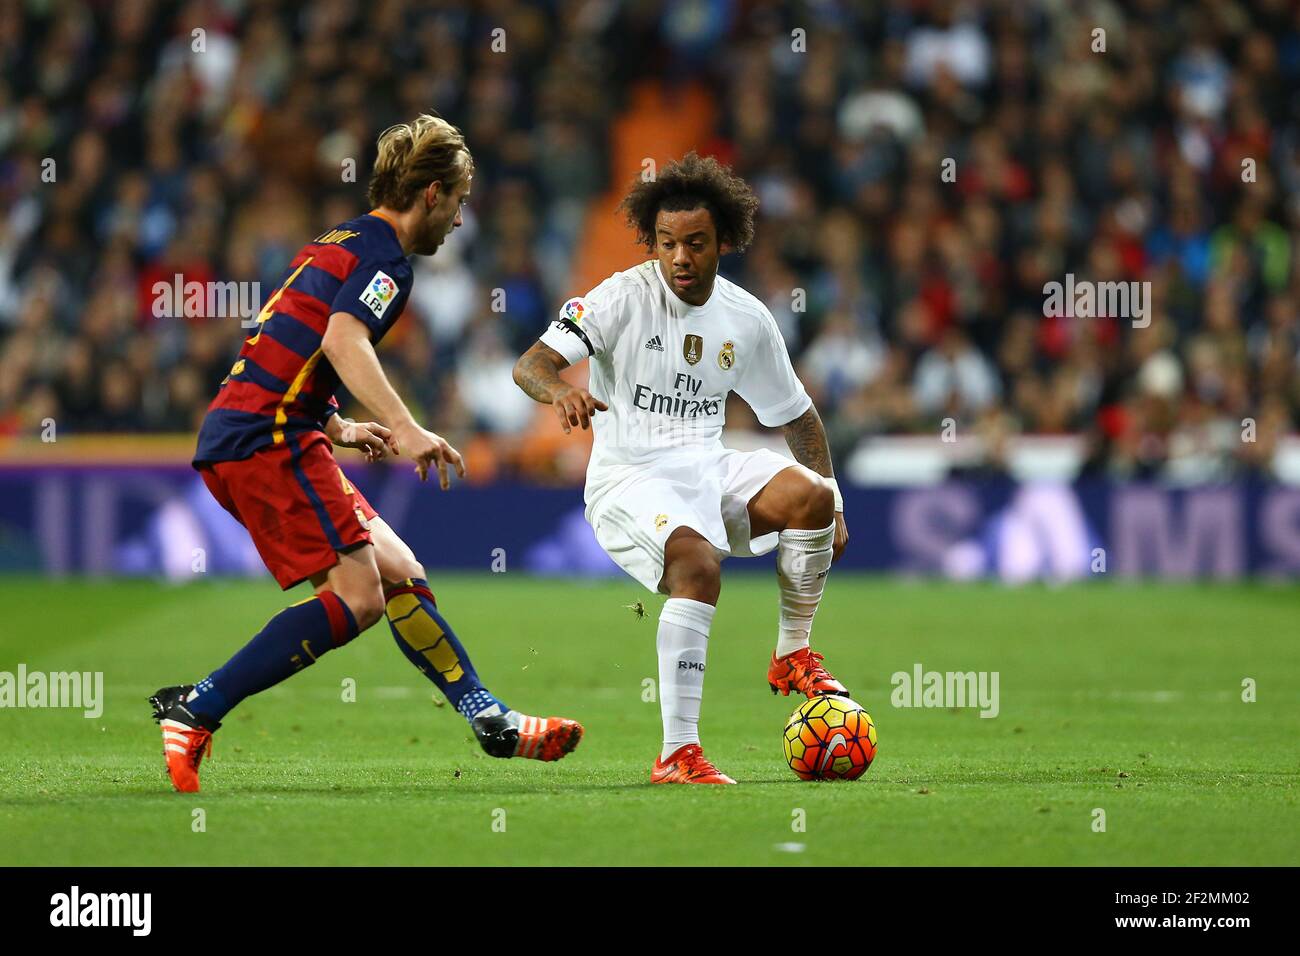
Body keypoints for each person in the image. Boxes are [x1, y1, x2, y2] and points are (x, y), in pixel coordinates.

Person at [152, 115, 582, 793]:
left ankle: (488, 715)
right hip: (268, 438)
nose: (462, 220)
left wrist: (340, 423)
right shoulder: (386, 259)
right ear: (433, 193)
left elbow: (289, 342)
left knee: (399, 571)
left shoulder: (335, 242)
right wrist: (406, 428)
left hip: (267, 427)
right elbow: (343, 341)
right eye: (462, 201)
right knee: (358, 598)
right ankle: (196, 709)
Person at [512, 152, 848, 785]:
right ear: (653, 242)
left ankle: (792, 655)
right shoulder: (618, 298)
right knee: (697, 566)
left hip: (706, 465)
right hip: (628, 478)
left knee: (813, 500)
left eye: (695, 243)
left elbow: (798, 417)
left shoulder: (746, 320)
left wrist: (838, 505)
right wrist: (561, 392)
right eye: (666, 244)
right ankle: (677, 754)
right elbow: (530, 364)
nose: (680, 258)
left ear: (724, 241)